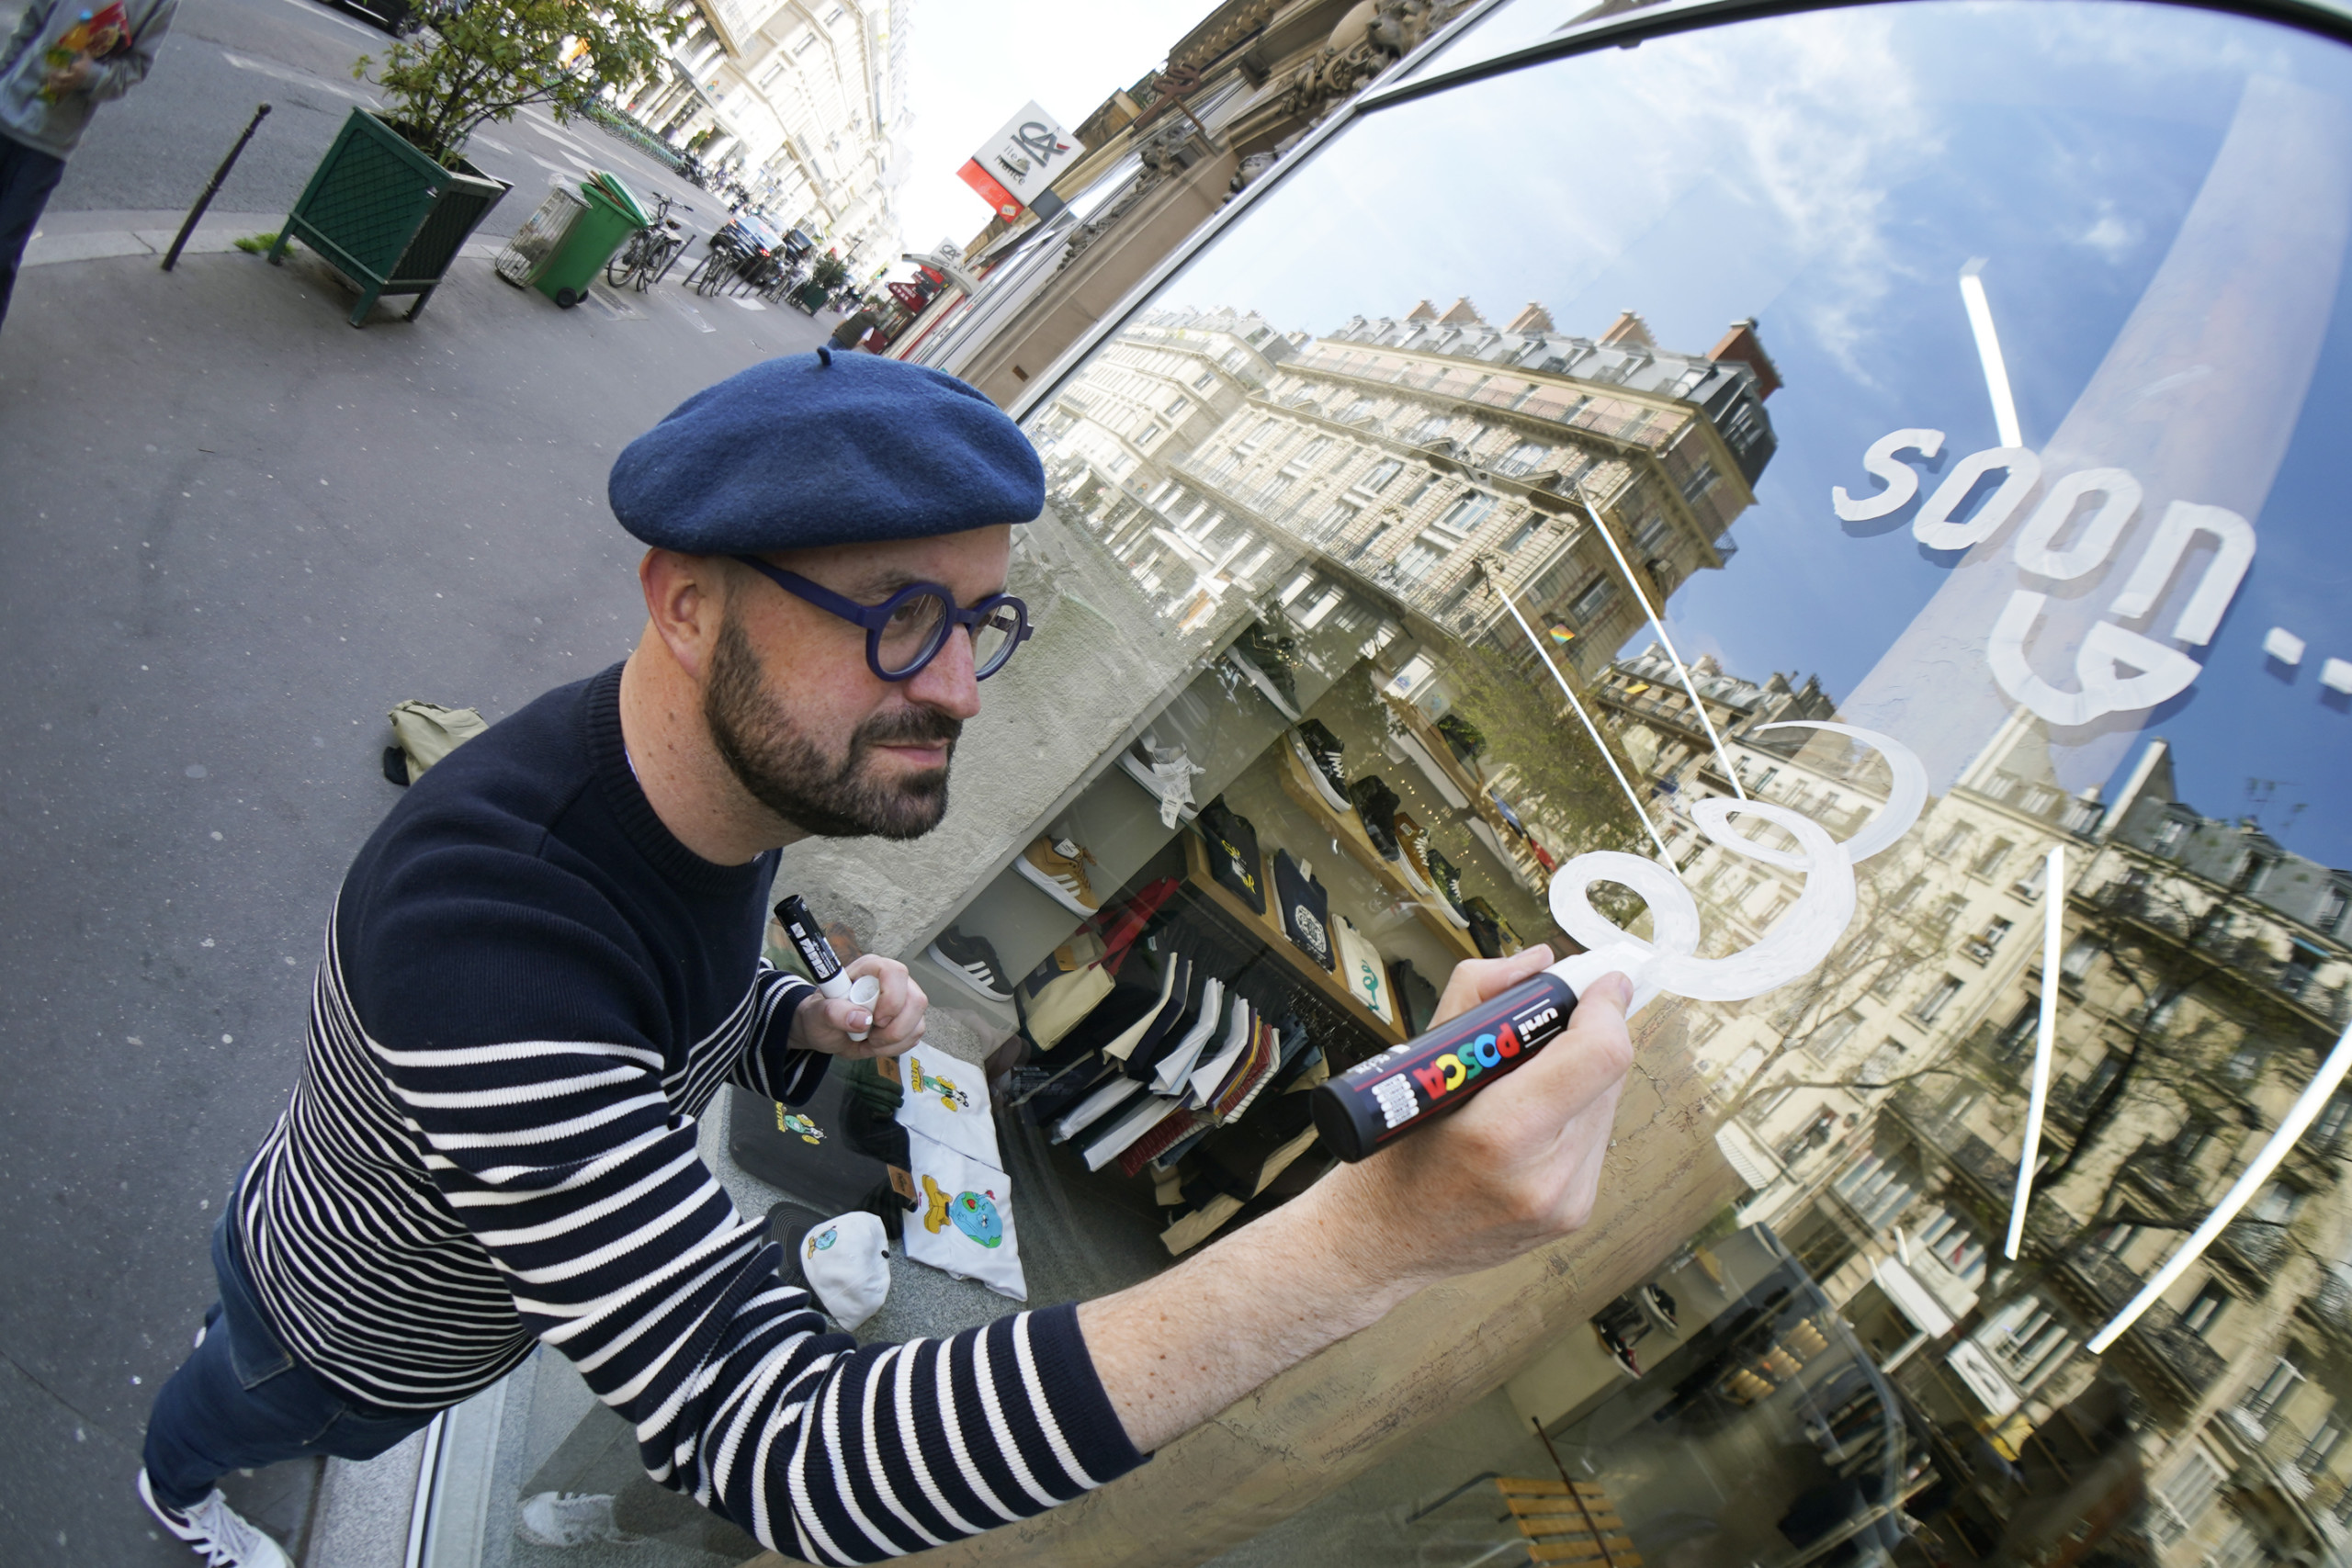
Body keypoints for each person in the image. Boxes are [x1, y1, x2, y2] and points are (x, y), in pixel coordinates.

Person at [135, 349, 1636, 1567]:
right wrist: (1378, 1237)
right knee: (244, 1410)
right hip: (344, 1325)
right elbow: (787, 1448)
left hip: (449, 1280)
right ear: (686, 600)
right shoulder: (488, 919)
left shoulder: (698, 785)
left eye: (983, 621)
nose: (966, 690)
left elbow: (641, 1012)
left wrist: (797, 1020)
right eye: (904, 616)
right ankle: (173, 1495)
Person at [0, 0, 175, 328]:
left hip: (50, 142)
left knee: (2, 252)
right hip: (3, 109)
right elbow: (35, 19)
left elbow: (135, 69)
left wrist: (89, 76)